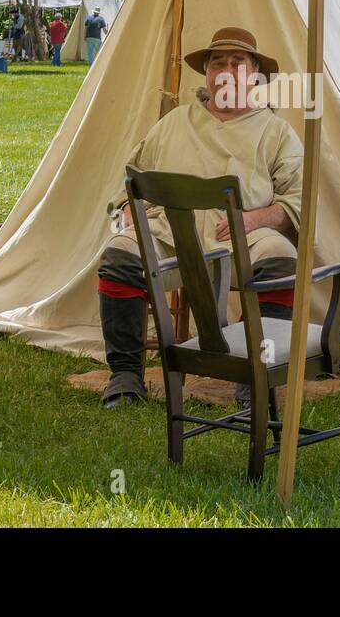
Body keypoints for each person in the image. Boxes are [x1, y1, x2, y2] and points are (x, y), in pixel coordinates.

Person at [95, 27, 302, 409]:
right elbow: (130, 181)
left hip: (240, 237)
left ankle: (256, 379)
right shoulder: (174, 122)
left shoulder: (275, 131)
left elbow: (296, 201)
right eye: (217, 62)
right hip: (169, 234)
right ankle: (125, 377)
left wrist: (255, 220)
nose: (227, 70)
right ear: (206, 73)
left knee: (281, 260)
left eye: (237, 63)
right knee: (119, 255)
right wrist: (125, 210)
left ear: (254, 73)